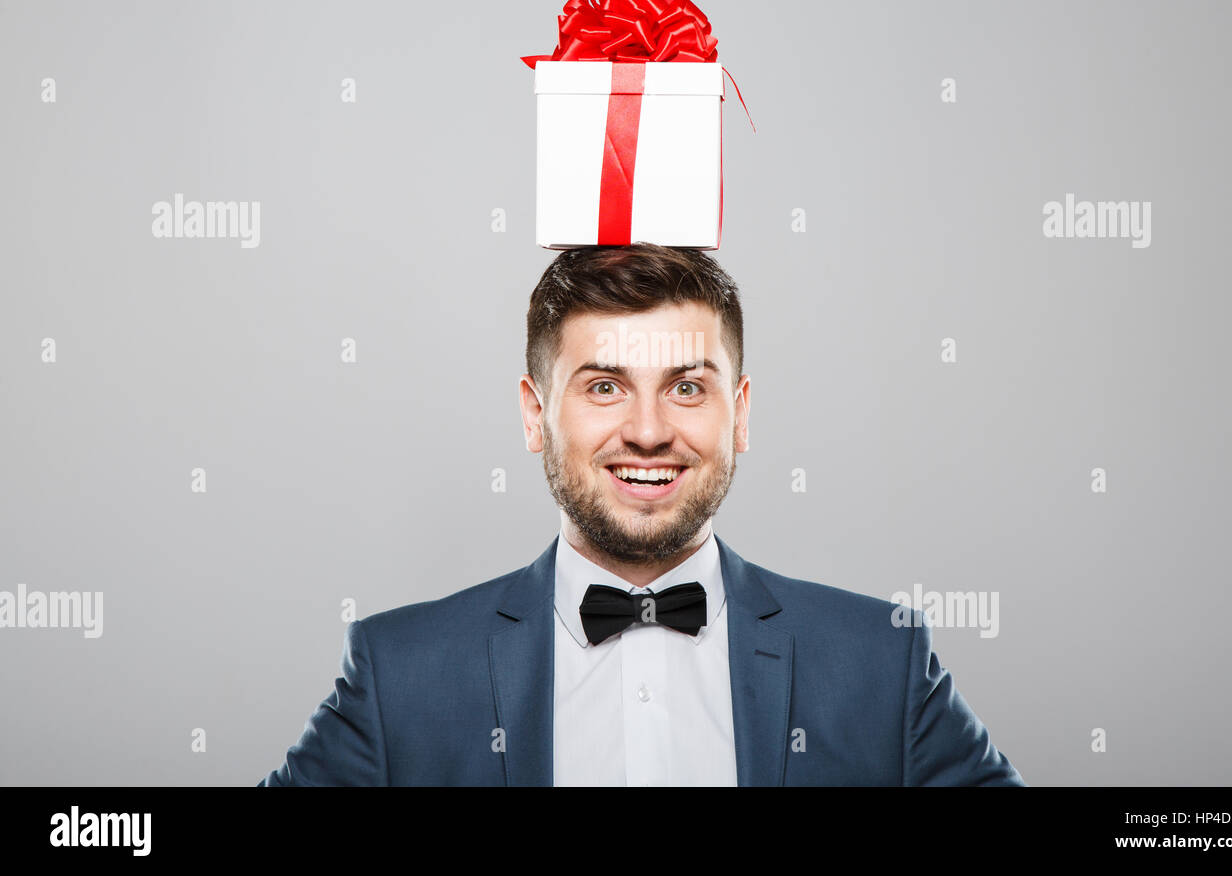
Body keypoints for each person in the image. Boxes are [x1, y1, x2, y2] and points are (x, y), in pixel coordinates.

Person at [259, 244, 1025, 786]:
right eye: (603, 387)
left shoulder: (881, 665)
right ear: (534, 416)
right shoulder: (402, 676)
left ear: (742, 413)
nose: (650, 429)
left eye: (688, 387)